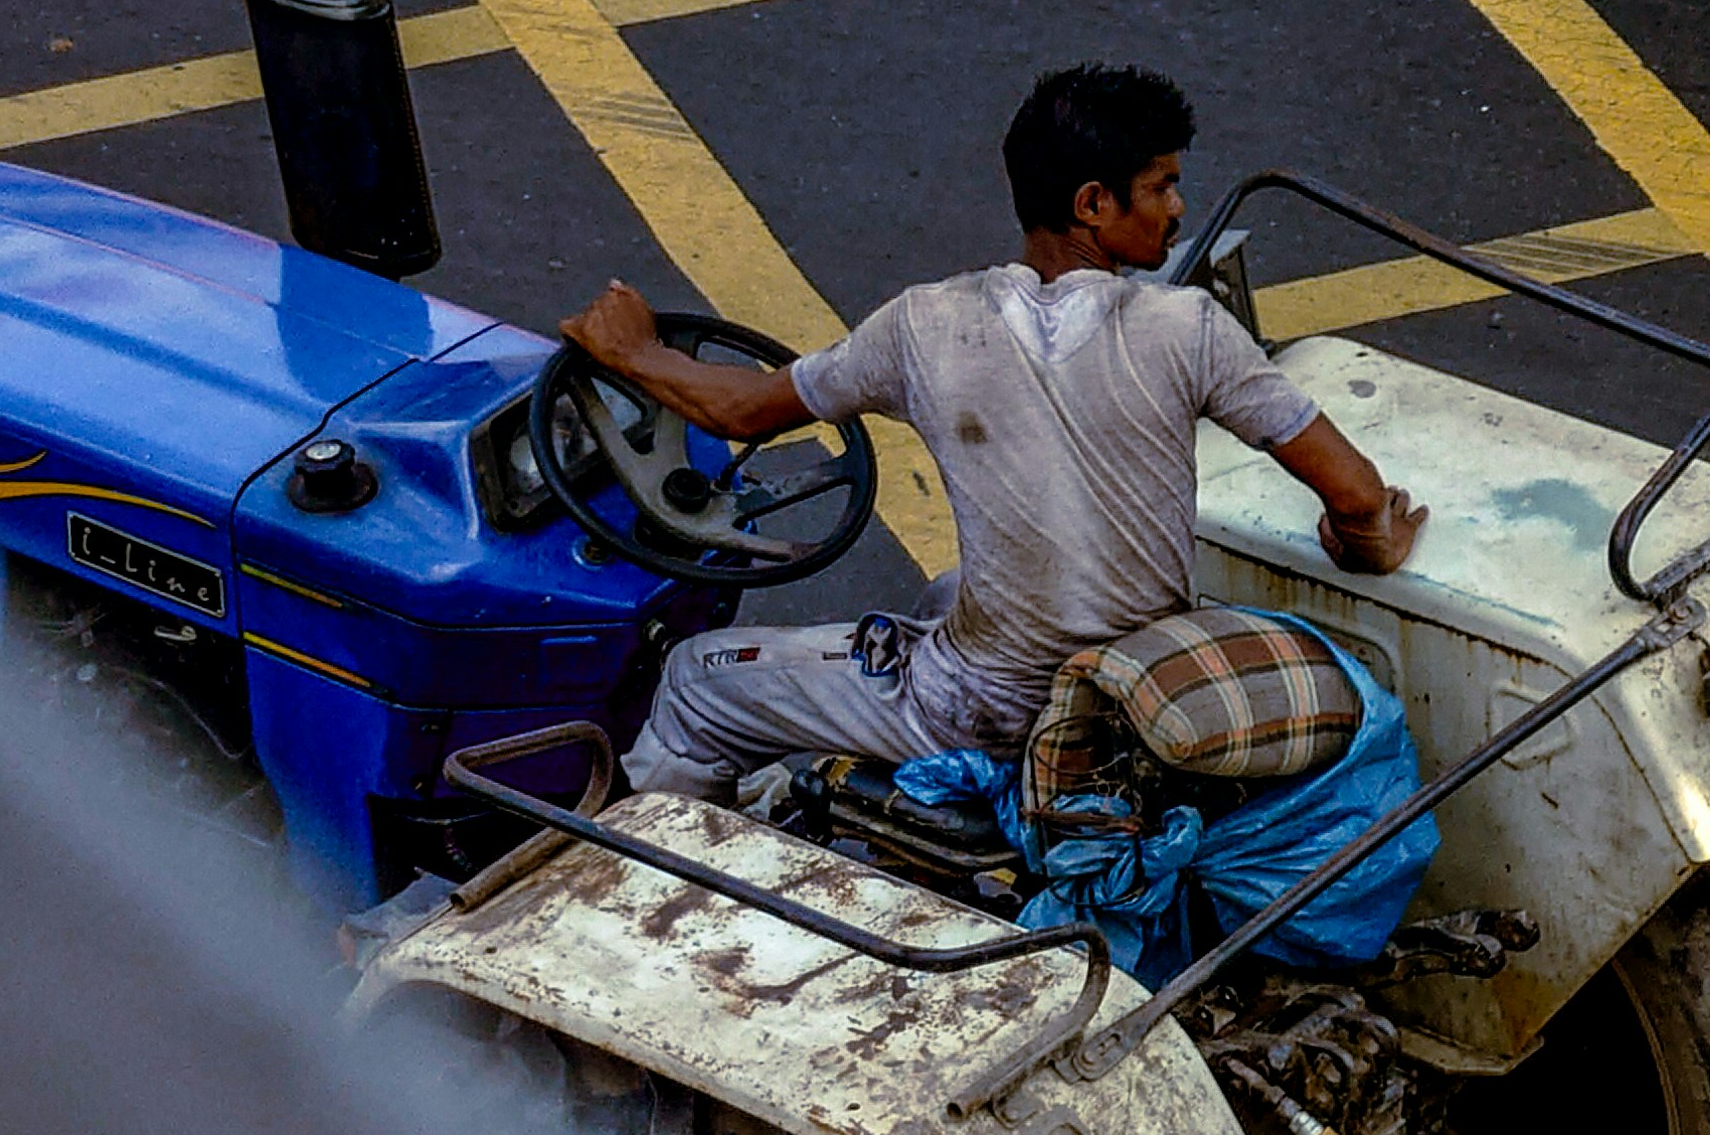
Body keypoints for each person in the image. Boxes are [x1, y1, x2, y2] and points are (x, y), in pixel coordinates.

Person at [567, 64, 1425, 805]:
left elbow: (743, 411)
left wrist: (634, 353)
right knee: (946, 592)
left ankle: (671, 896)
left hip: (982, 709)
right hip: (1133, 696)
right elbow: (1356, 498)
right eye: (1162, 186)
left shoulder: (925, 326)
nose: (1178, 208)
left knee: (690, 680)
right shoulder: (1189, 329)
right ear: (1093, 205)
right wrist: (1365, 546)